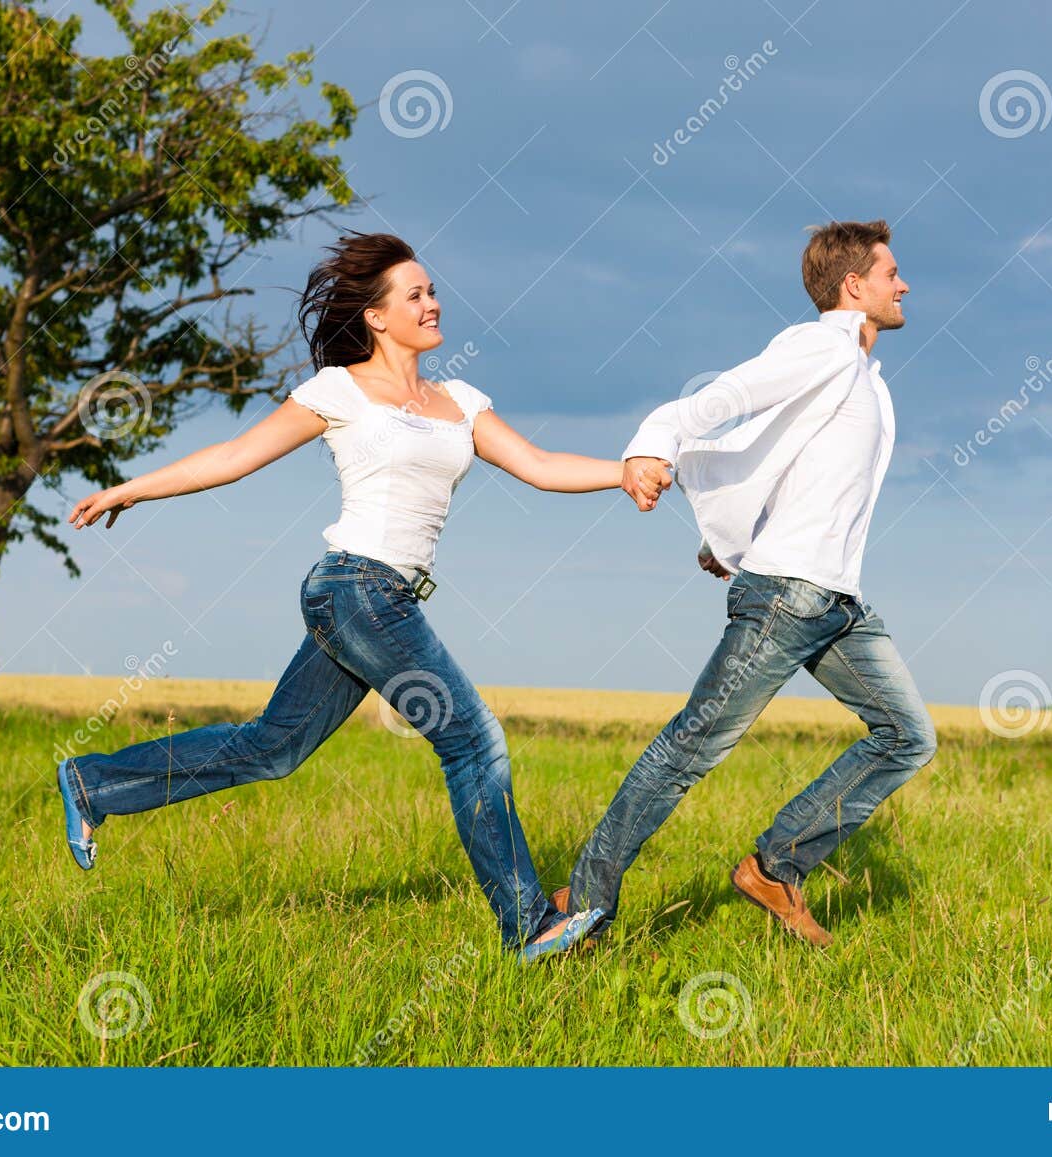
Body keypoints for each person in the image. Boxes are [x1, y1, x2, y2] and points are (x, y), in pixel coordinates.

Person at [57, 232, 658, 962]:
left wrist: (623, 471)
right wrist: (132, 488)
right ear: (376, 317)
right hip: (355, 588)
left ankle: (94, 783)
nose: (432, 304)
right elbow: (234, 456)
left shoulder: (460, 401)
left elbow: (539, 464)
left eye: (432, 291)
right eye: (415, 295)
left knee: (273, 748)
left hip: (383, 597)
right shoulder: (339, 390)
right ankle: (529, 925)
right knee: (473, 739)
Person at [556, 219, 937, 946]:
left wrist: (728, 541)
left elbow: (782, 461)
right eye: (892, 274)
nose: (905, 285)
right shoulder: (821, 347)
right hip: (789, 596)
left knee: (907, 736)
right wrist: (651, 447)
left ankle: (775, 866)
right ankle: (586, 898)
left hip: (836, 600)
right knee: (690, 748)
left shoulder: (865, 378)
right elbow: (718, 403)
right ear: (853, 285)